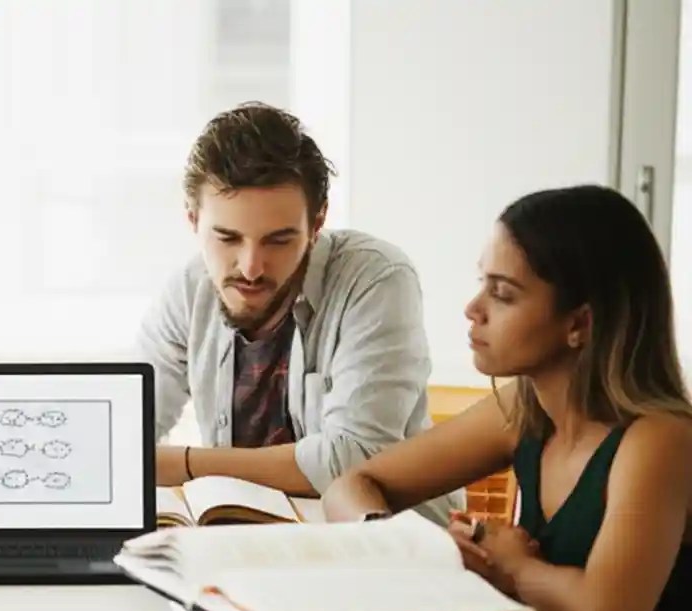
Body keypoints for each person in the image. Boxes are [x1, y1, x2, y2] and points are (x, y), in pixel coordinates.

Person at [323, 185, 692, 611]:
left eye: (503, 294)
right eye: (482, 284)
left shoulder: (658, 438)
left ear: (579, 324)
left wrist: (511, 566)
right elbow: (351, 486)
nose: (473, 310)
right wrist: (401, 546)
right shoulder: (524, 410)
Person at [137, 102, 461, 524]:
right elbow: (128, 430)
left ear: (318, 221)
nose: (250, 266)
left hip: (384, 549)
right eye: (227, 238)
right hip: (250, 545)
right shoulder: (189, 290)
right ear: (193, 219)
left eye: (278, 240)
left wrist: (184, 463)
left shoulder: (377, 278)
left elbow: (354, 458)